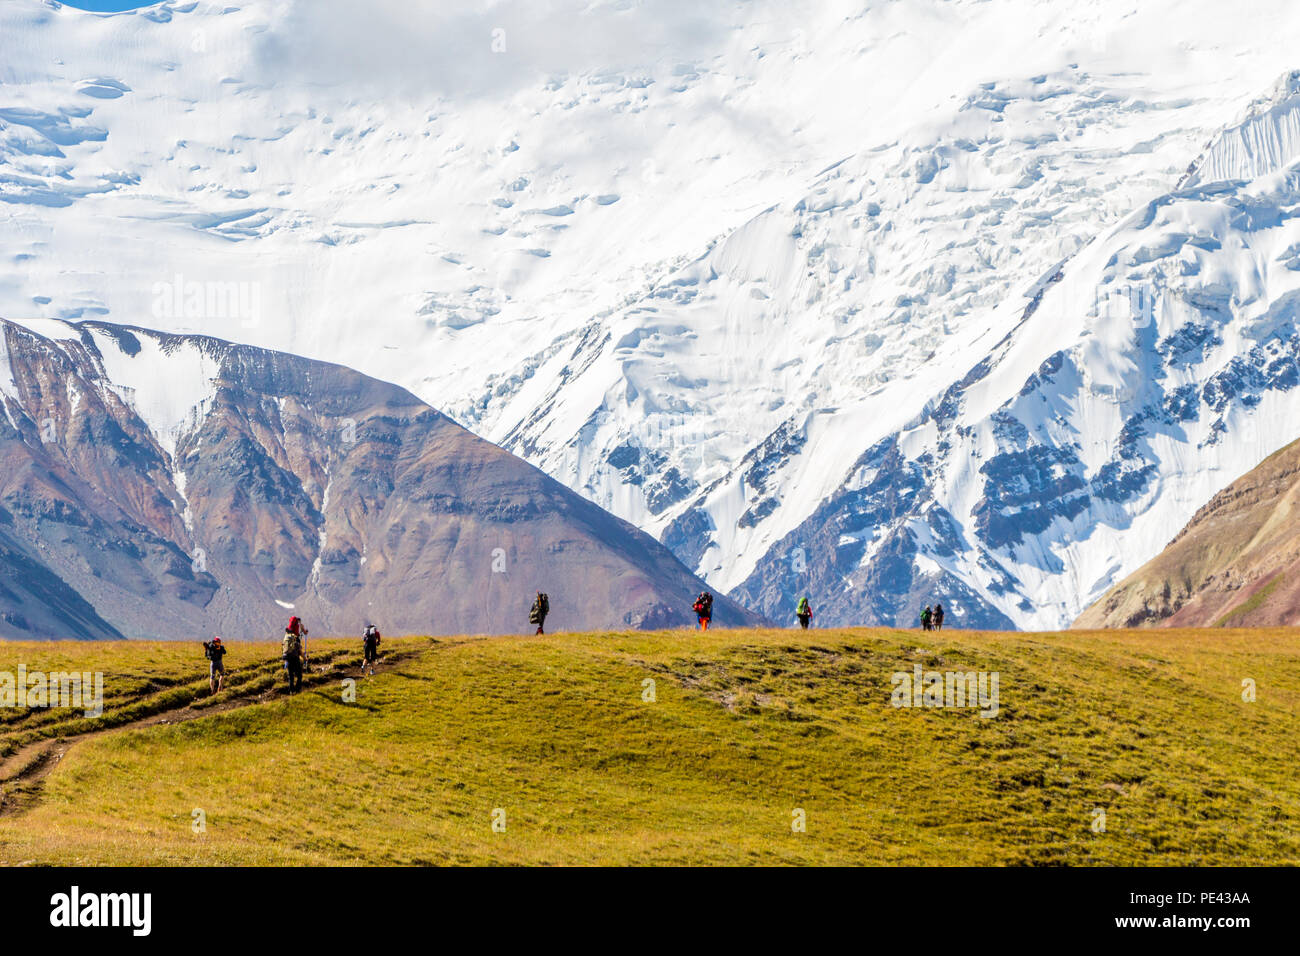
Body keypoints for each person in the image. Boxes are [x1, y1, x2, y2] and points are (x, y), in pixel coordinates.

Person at [283, 620, 305, 692]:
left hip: (287, 657)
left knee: (291, 675)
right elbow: (299, 650)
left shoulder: (287, 636)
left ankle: (291, 691)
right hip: (295, 658)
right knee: (299, 674)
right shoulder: (295, 637)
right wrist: (305, 658)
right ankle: (298, 690)